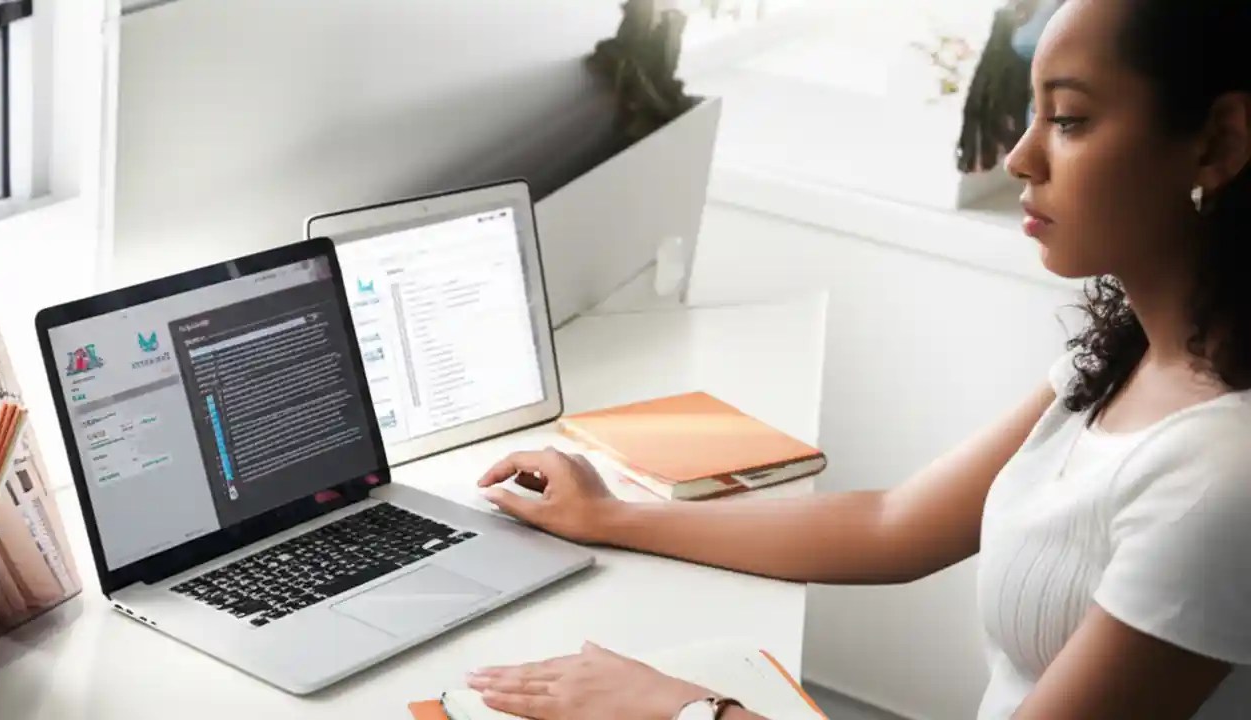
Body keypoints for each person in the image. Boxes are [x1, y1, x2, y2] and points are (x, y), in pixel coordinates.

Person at [466, 0, 1251, 717]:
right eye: (1032, 116)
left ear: (1217, 143)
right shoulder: (1126, 358)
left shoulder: (1220, 477)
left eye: (1070, 120)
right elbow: (892, 526)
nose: (1018, 157)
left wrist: (685, 710)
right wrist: (610, 516)